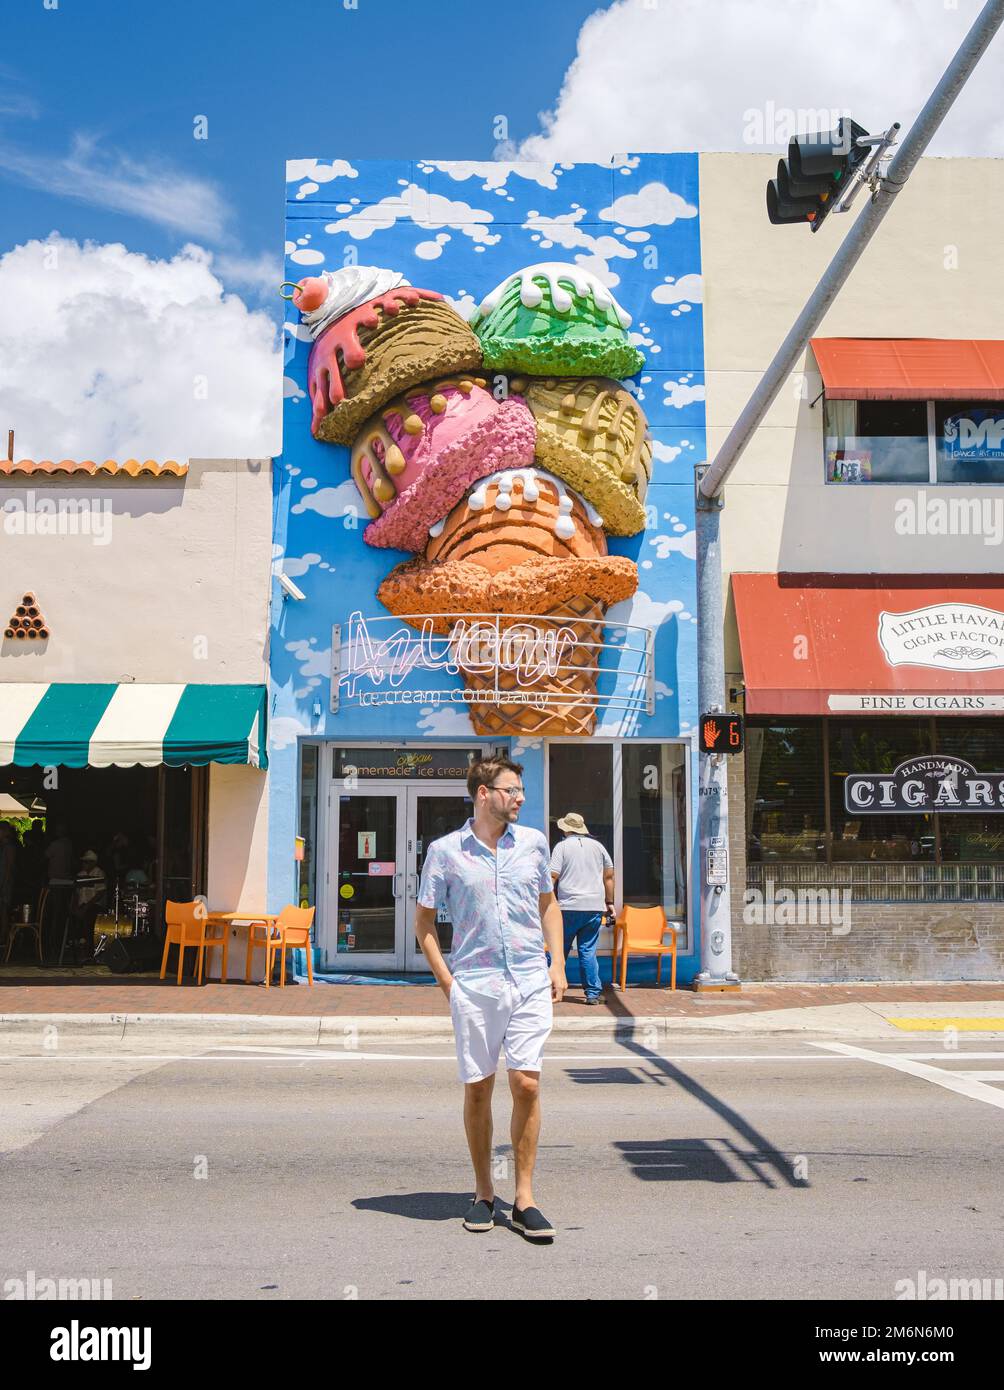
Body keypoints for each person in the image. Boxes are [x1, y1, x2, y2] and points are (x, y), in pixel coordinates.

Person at [415, 756, 566, 1241]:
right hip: (475, 984)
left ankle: (524, 1198)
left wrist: (557, 963)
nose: (520, 797)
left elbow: (548, 906)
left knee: (526, 1085)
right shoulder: (444, 852)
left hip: (527, 979)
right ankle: (484, 1192)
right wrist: (449, 985)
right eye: (511, 790)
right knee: (479, 1087)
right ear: (483, 794)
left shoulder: (535, 844)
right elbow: (424, 926)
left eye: (521, 790)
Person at [550, 813, 615, 1005]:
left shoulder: (561, 847)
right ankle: (592, 994)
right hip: (594, 907)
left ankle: (551, 989)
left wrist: (548, 903)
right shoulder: (599, 847)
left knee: (558, 950)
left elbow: (552, 876)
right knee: (587, 950)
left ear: (565, 829)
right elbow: (609, 877)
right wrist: (609, 903)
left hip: (568, 907)